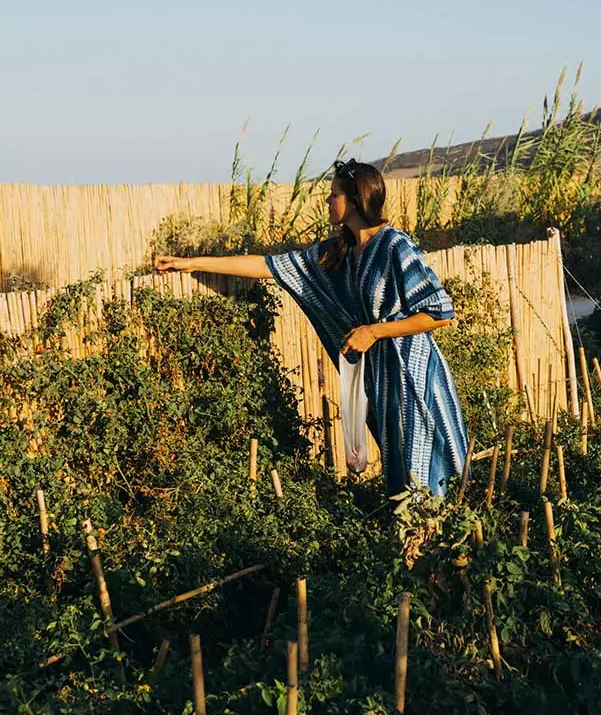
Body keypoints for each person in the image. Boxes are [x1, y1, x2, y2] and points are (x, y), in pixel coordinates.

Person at [155, 158, 469, 498]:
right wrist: (193, 263)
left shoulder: (396, 246)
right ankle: (417, 546)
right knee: (400, 475)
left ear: (355, 199)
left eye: (333, 194)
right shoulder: (341, 252)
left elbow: (440, 313)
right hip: (382, 377)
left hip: (414, 374)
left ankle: (441, 544)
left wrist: (374, 331)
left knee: (423, 468)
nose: (327, 201)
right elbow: (270, 265)